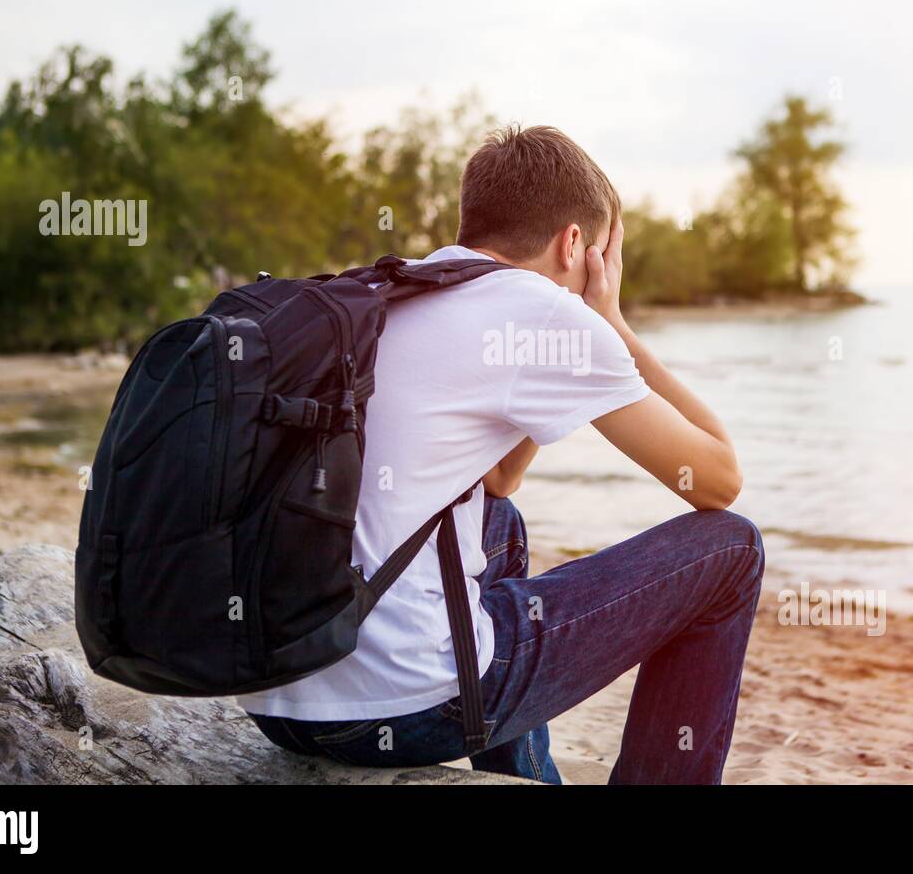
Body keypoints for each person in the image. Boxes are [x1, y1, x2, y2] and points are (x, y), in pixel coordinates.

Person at [240, 125, 764, 784]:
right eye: (599, 252)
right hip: (400, 710)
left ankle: (525, 778)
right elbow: (719, 480)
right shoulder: (544, 313)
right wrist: (612, 322)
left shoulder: (395, 289)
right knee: (732, 551)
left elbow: (501, 478)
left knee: (497, 522)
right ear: (575, 242)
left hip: (279, 693)